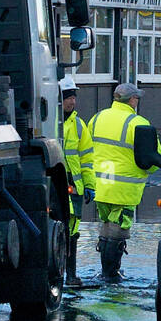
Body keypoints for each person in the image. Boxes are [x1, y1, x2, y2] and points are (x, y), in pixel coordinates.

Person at [90, 82, 161, 282]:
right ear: (132, 100)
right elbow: (154, 160)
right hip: (124, 189)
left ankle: (105, 272)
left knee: (106, 227)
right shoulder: (139, 123)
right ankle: (111, 275)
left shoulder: (97, 118)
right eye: (136, 98)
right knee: (119, 229)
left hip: (99, 185)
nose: (137, 101)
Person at [60, 77, 95, 286]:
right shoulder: (50, 122)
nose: (71, 101)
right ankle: (60, 273)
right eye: (67, 97)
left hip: (75, 188)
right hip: (57, 186)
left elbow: (87, 160)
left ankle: (70, 275)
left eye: (73, 97)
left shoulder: (79, 126)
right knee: (60, 231)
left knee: (72, 232)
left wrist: (90, 185)